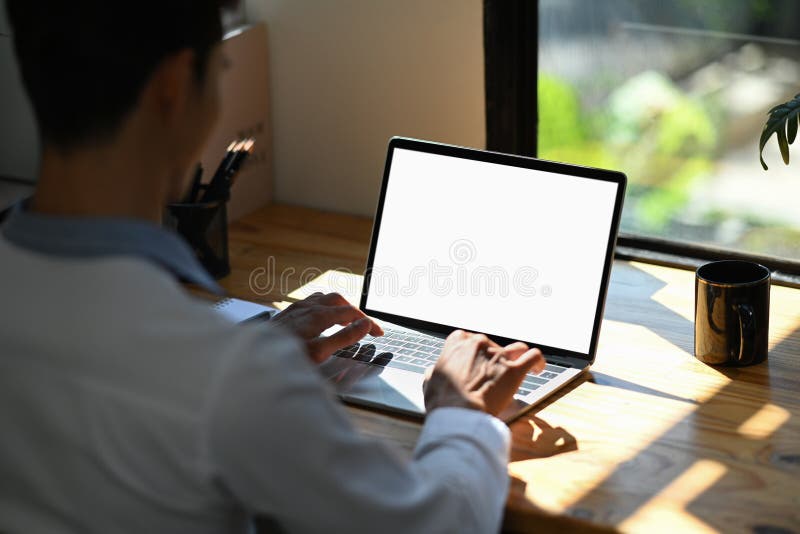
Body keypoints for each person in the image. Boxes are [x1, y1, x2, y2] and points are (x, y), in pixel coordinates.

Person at [0, 1, 545, 533]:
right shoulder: (225, 377)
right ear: (172, 86)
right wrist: (463, 412)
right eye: (221, 72)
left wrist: (261, 355)